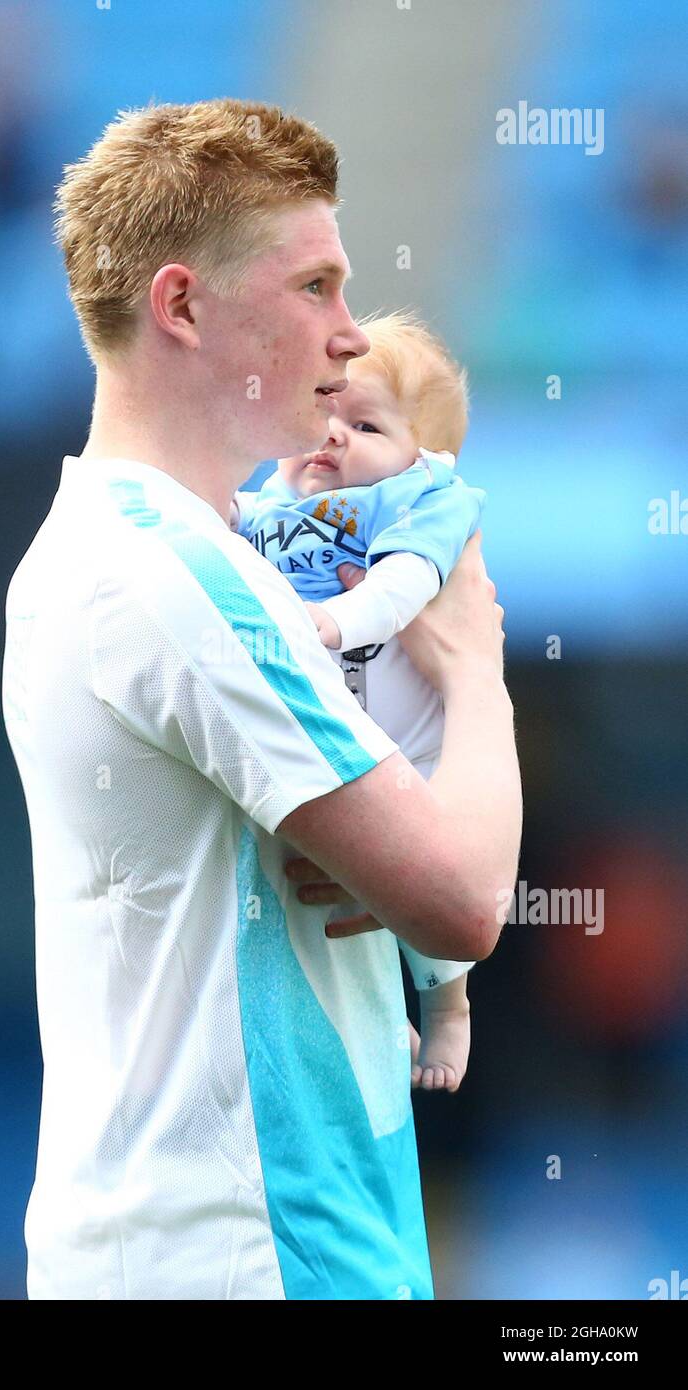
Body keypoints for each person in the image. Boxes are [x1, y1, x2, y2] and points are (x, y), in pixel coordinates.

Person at [1, 97, 522, 1301]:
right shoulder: (188, 577)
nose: (351, 335)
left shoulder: (107, 546)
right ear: (180, 306)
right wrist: (472, 662)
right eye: (315, 288)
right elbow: (459, 901)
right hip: (251, 1247)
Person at [230, 311, 482, 1093]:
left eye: (365, 424)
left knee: (424, 898)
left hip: (407, 744)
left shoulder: (423, 504)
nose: (332, 435)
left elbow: (405, 583)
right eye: (323, 409)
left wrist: (340, 619)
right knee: (322, 891)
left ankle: (448, 1007)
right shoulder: (270, 501)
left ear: (423, 458)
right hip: (316, 747)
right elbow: (215, 524)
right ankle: (379, 1012)